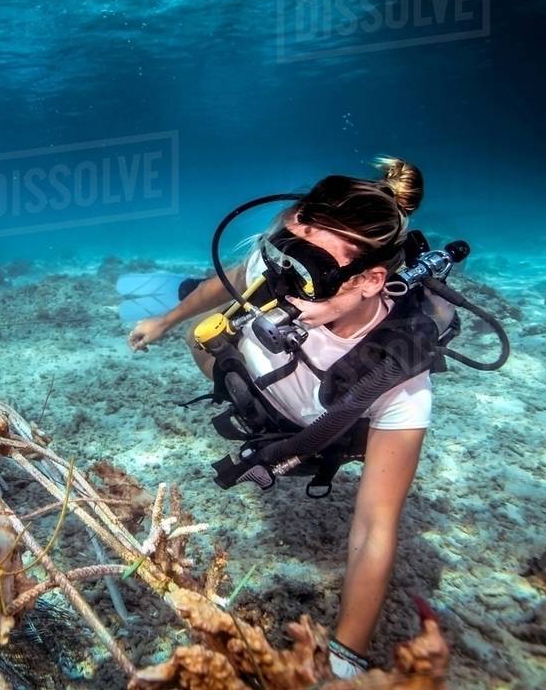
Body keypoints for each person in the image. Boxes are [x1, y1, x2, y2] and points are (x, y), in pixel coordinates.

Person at [126, 157, 428, 678]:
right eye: (283, 255)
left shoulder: (396, 380)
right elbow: (242, 275)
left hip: (307, 432)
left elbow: (375, 528)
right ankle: (181, 302)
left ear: (372, 279)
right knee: (204, 332)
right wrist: (166, 319)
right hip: (246, 377)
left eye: (309, 274)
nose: (285, 285)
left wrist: (344, 661)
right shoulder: (278, 268)